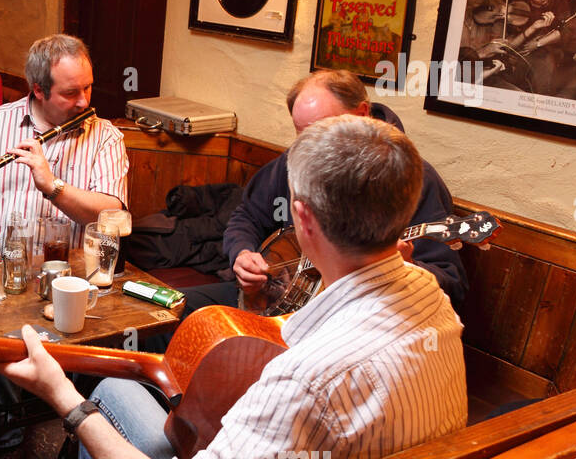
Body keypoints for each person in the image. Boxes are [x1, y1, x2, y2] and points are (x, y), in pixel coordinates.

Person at [0, 115, 468, 459]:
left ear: (303, 221)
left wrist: (63, 396)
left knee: (110, 392)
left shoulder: (309, 379)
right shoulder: (431, 299)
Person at [0, 34, 129, 459]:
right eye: (70, 92)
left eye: (88, 88)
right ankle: (6, 443)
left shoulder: (104, 134)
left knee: (111, 341)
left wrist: (54, 186)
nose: (84, 100)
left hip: (75, 275)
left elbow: (114, 213)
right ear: (37, 90)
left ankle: (83, 449)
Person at [180, 70, 466, 314]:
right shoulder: (302, 156)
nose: (309, 146)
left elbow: (452, 284)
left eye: (321, 131)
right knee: (177, 311)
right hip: (276, 298)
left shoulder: (408, 176)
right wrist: (241, 254)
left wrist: (405, 271)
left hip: (346, 319)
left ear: (363, 113)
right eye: (301, 134)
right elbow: (248, 215)